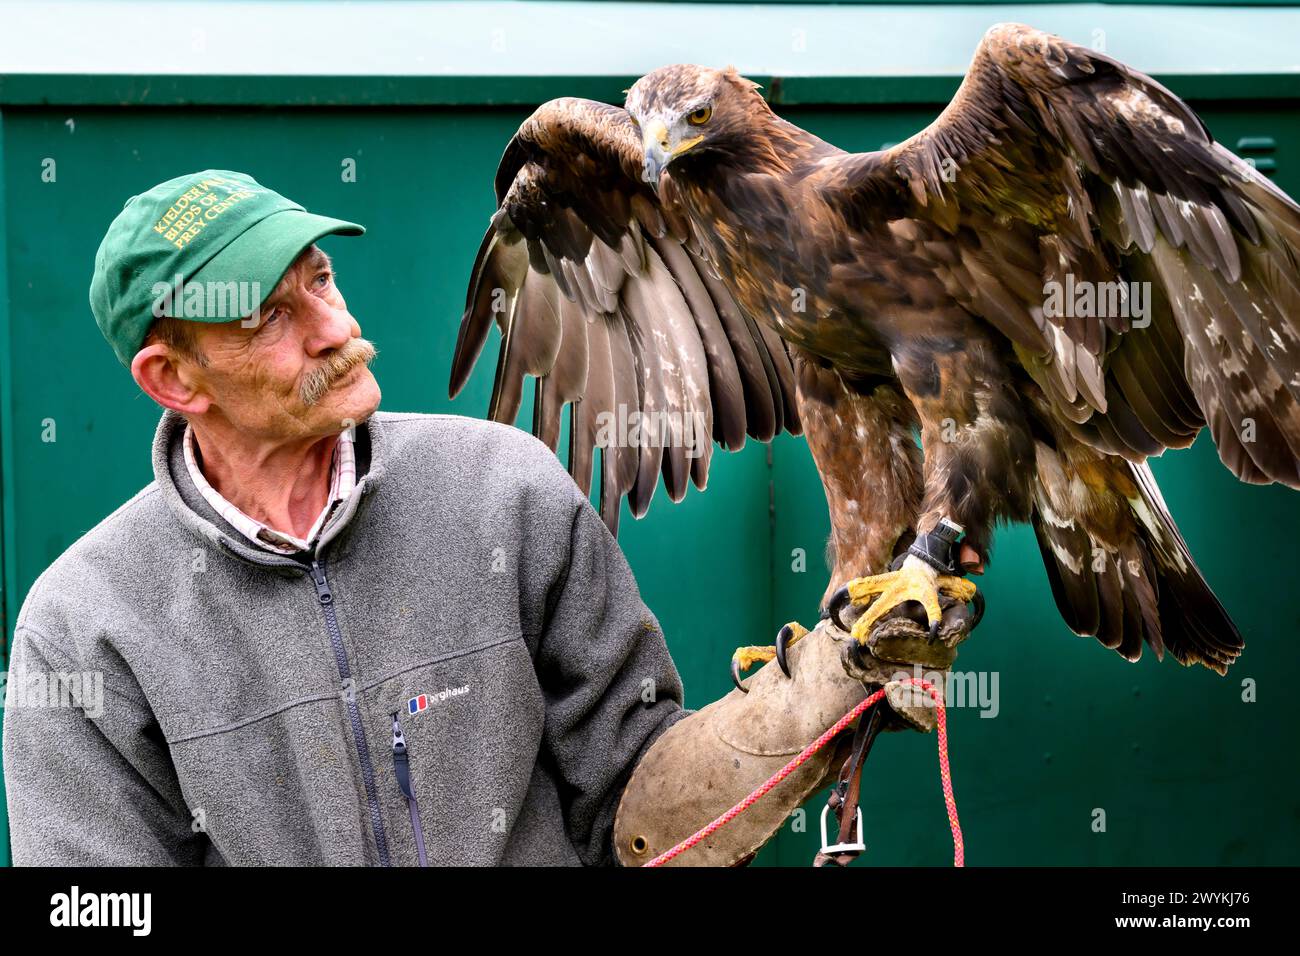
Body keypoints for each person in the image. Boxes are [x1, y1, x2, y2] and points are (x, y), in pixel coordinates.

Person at [2, 169, 871, 867]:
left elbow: (636, 808)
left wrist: (818, 702)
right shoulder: (83, 627)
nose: (337, 326)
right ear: (174, 380)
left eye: (322, 279)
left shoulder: (506, 491)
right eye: (273, 314)